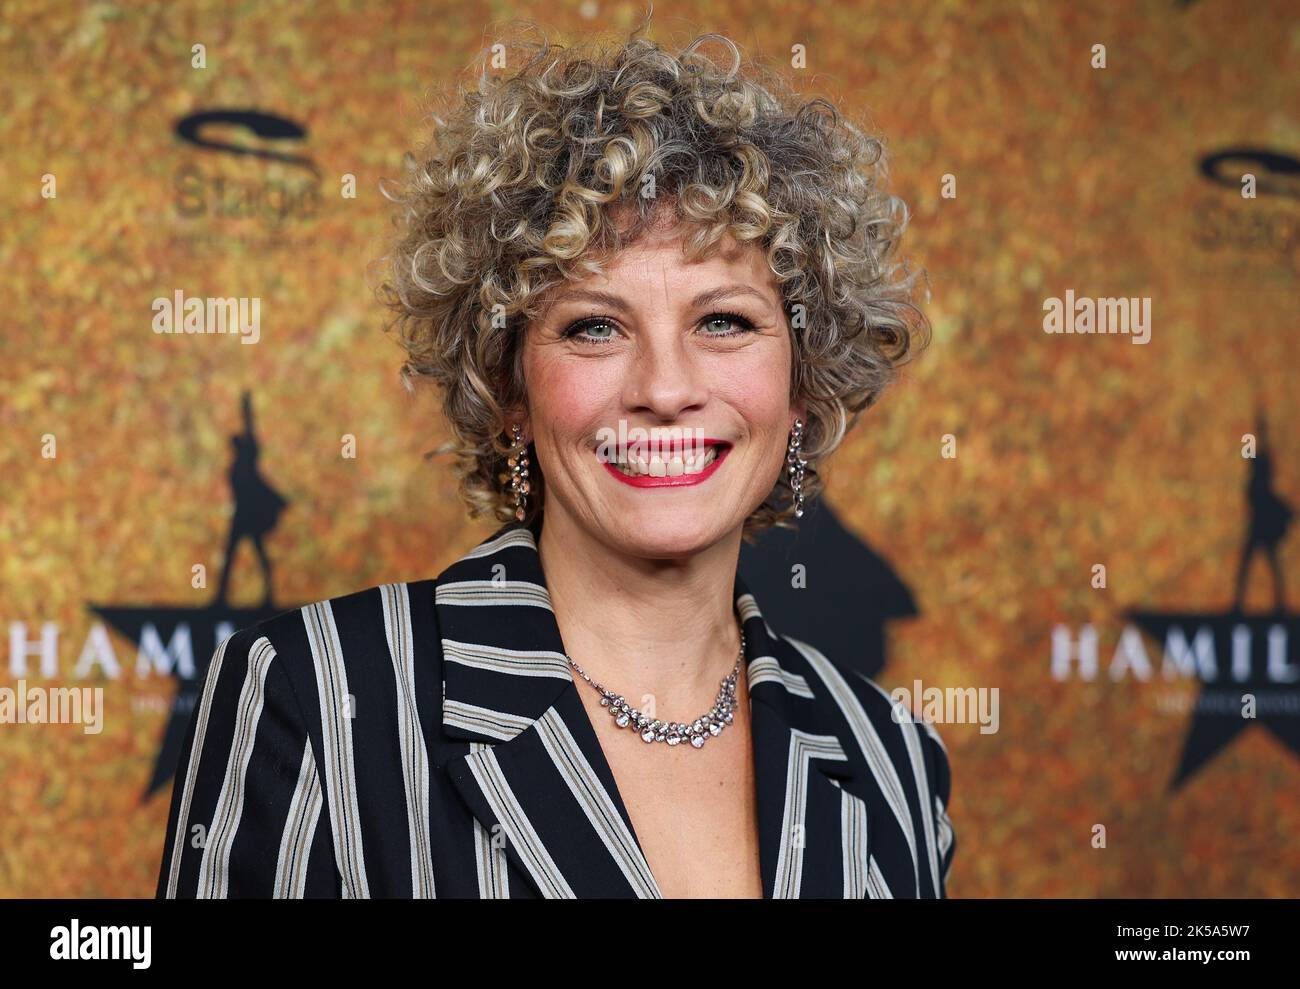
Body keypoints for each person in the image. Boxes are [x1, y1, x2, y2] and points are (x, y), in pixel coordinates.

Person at [156, 27, 952, 899]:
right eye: (594, 326)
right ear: (509, 388)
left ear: (803, 382)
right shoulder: (318, 698)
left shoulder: (890, 761)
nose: (665, 387)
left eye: (723, 320)